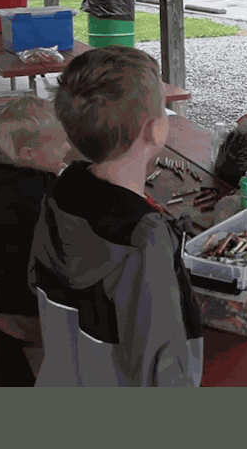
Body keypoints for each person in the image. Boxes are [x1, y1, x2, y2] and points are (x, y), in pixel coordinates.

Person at [28, 45, 204, 387]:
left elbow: (38, 281)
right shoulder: (145, 238)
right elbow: (164, 362)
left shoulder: (60, 190)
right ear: (154, 130)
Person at [0, 95, 71, 378]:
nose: (68, 148)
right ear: (28, 154)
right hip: (17, 312)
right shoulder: (29, 196)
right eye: (61, 143)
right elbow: (66, 256)